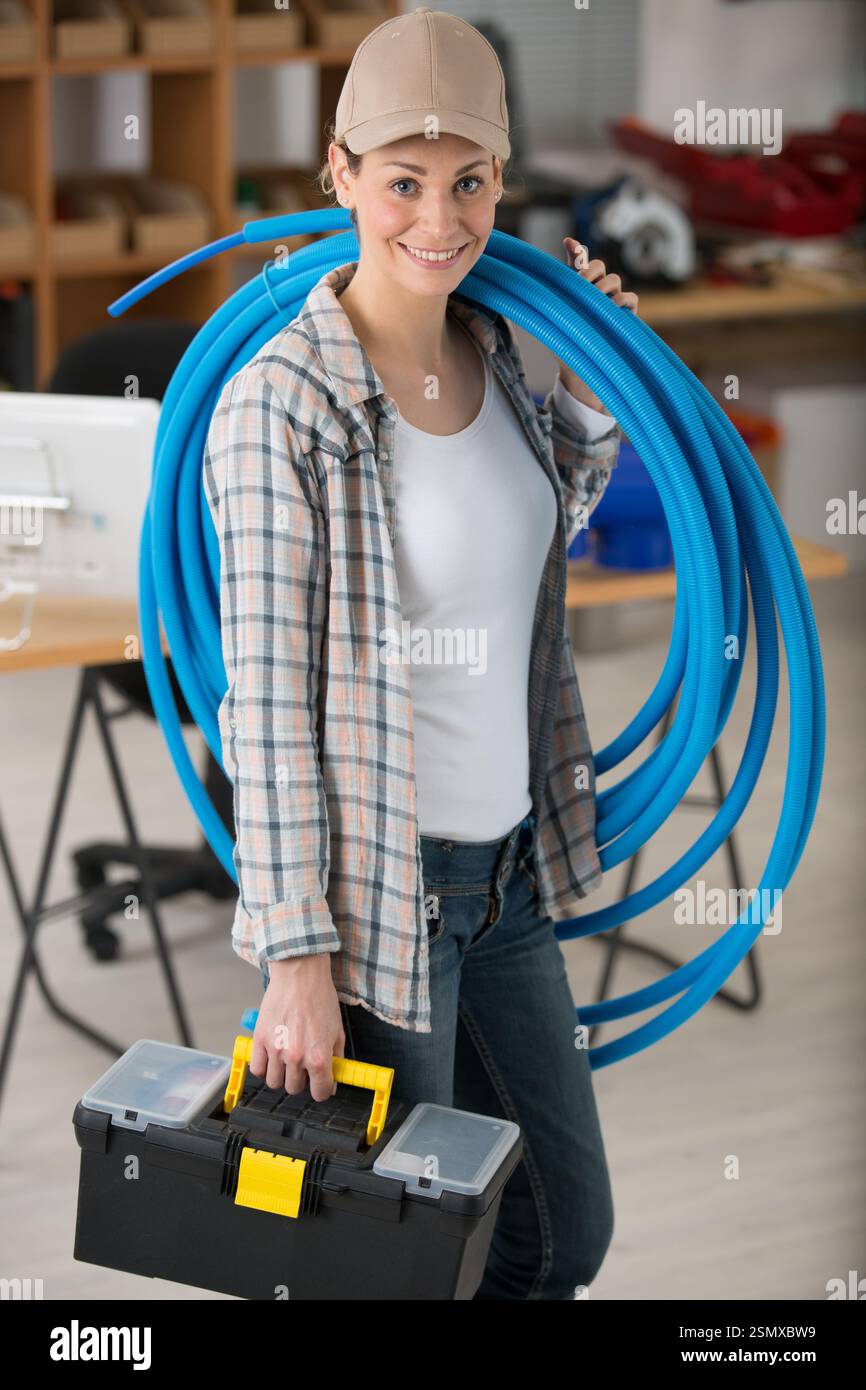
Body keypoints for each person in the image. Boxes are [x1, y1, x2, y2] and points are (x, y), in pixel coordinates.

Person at [203, 6, 639, 1300]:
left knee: (559, 1233)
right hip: (381, 897)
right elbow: (267, 705)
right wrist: (294, 960)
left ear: (502, 180)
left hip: (506, 878)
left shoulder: (499, 348)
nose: (438, 220)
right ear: (337, 173)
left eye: (469, 183)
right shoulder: (278, 404)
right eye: (402, 183)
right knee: (391, 1263)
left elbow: (531, 537)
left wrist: (584, 382)